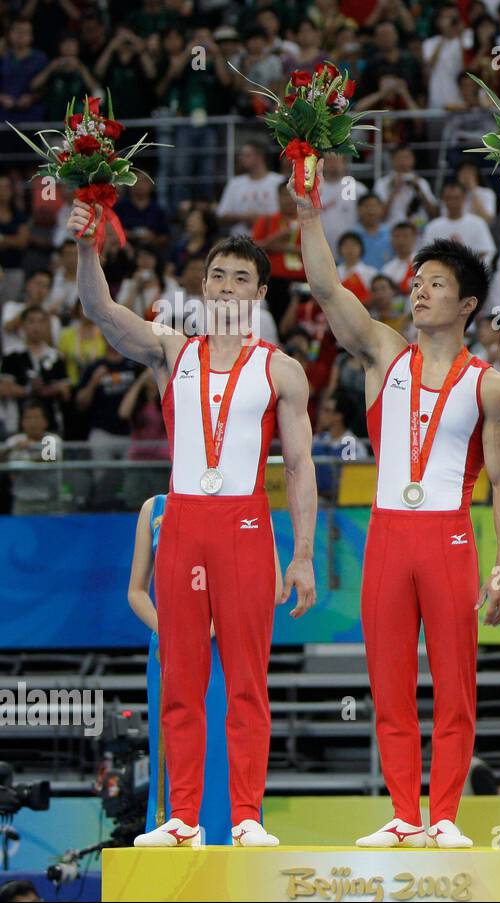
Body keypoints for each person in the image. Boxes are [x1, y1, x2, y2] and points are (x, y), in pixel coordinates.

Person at [71, 199, 318, 849]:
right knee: (181, 677)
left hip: (243, 526)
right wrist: (86, 247)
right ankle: (182, 819)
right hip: (181, 522)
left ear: (261, 292)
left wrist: (303, 555)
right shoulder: (170, 351)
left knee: (245, 680)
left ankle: (245, 817)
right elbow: (101, 312)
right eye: (216, 276)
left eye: (241, 278)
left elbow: (297, 468)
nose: (226, 287)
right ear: (202, 287)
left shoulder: (280, 371)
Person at [295, 185, 500, 849]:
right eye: (416, 282)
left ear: (468, 303)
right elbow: (328, 291)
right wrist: (310, 213)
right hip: (388, 534)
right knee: (389, 682)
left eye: (436, 284)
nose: (419, 291)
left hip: (451, 535)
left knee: (455, 684)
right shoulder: (383, 354)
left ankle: (444, 815)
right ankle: (401, 812)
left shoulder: (491, 386)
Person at [127, 492, 287, 844]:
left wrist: (219, 618)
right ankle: (175, 825)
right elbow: (136, 591)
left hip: (230, 645)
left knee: (230, 738)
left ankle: (242, 826)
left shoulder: (250, 504)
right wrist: (173, 627)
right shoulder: (154, 508)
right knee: (176, 735)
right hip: (173, 644)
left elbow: (273, 586)